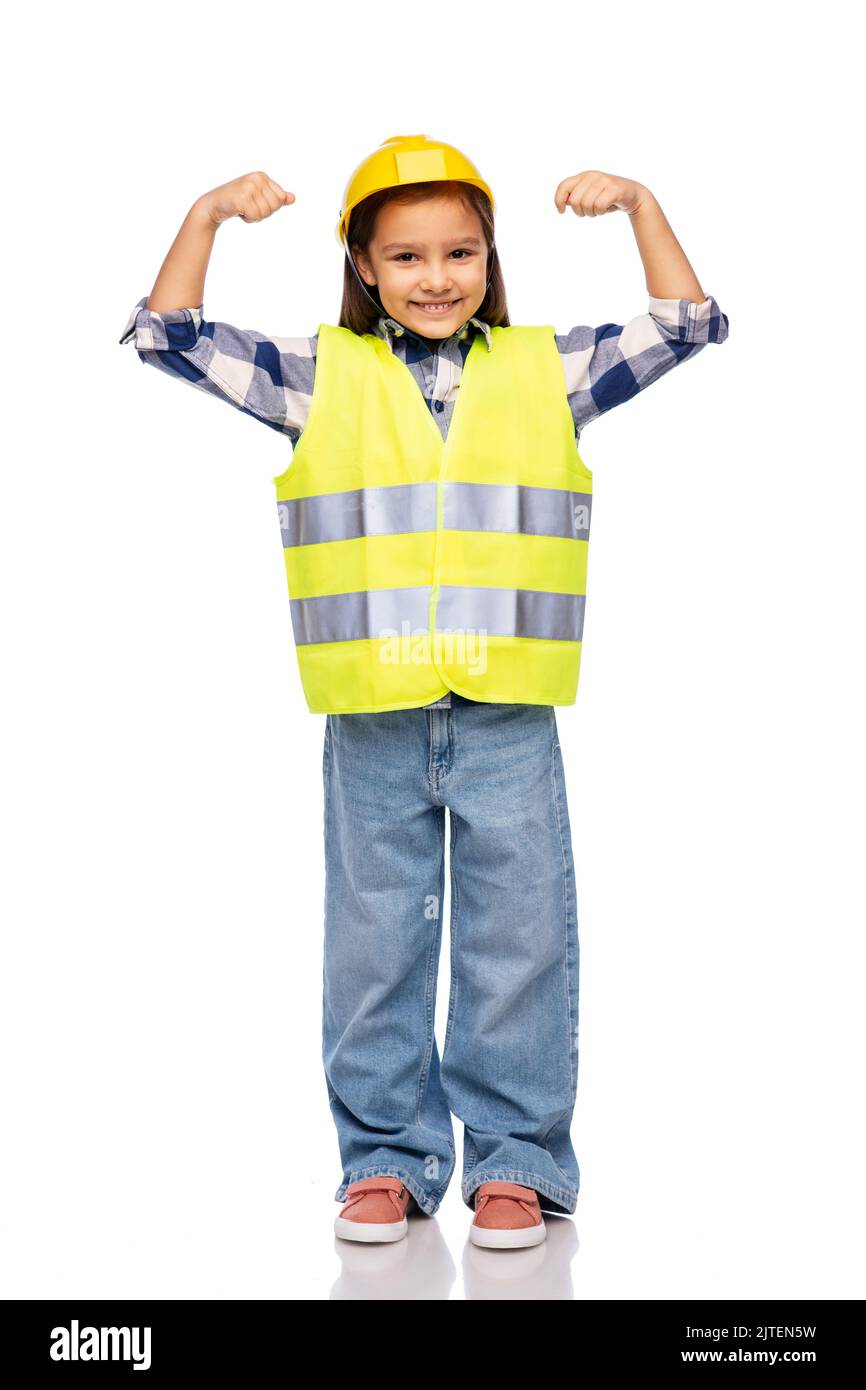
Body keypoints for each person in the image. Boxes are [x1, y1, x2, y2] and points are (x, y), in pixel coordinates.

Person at [120, 135, 729, 1249]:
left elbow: (686, 324)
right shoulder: (320, 375)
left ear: (490, 255)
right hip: (374, 714)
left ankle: (514, 1162)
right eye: (405, 255)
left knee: (517, 938)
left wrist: (640, 201)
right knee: (372, 941)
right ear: (361, 265)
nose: (436, 275)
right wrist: (206, 215)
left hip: (506, 710)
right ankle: (386, 1161)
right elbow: (167, 336)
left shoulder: (545, 368)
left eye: (459, 250)